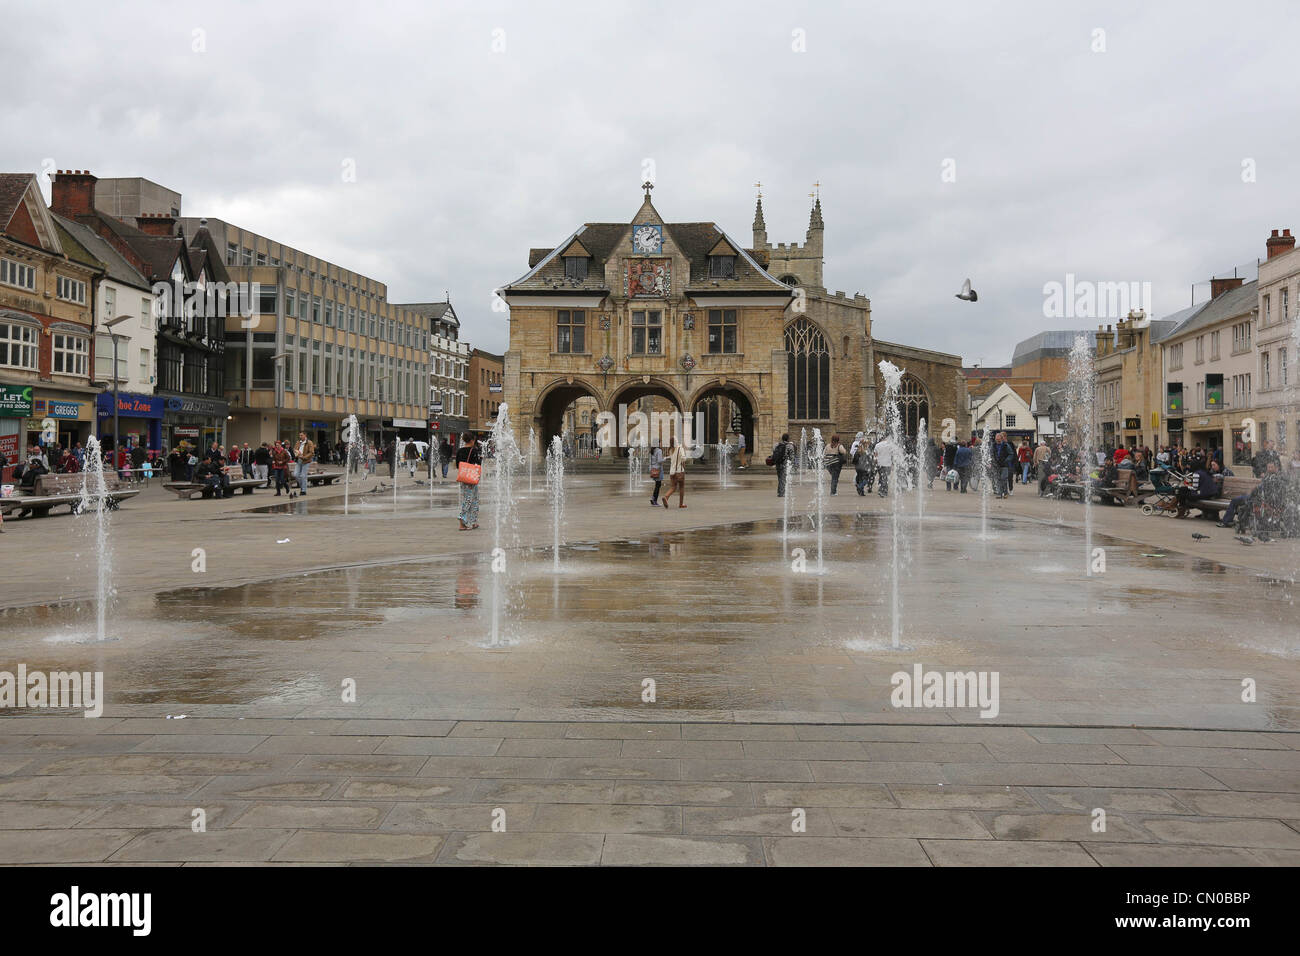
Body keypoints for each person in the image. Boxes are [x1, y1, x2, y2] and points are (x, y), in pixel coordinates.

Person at [455, 432, 481, 530]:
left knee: (472, 499)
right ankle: (462, 522)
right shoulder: (474, 451)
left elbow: (458, 465)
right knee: (470, 500)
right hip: (472, 478)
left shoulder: (459, 451)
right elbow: (478, 465)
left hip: (464, 478)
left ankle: (473, 522)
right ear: (471, 440)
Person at [661, 436, 687, 508]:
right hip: (679, 471)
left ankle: (666, 497)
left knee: (673, 487)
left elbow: (671, 458)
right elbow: (683, 459)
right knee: (681, 487)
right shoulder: (680, 448)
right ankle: (681, 504)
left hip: (672, 472)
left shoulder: (670, 449)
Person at [772, 432, 795, 498]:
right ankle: (781, 493)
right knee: (783, 479)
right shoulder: (790, 446)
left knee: (780, 478)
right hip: (785, 464)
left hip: (778, 464)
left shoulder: (777, 445)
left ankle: (779, 491)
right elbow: (792, 456)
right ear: (788, 439)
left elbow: (774, 452)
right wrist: (791, 464)